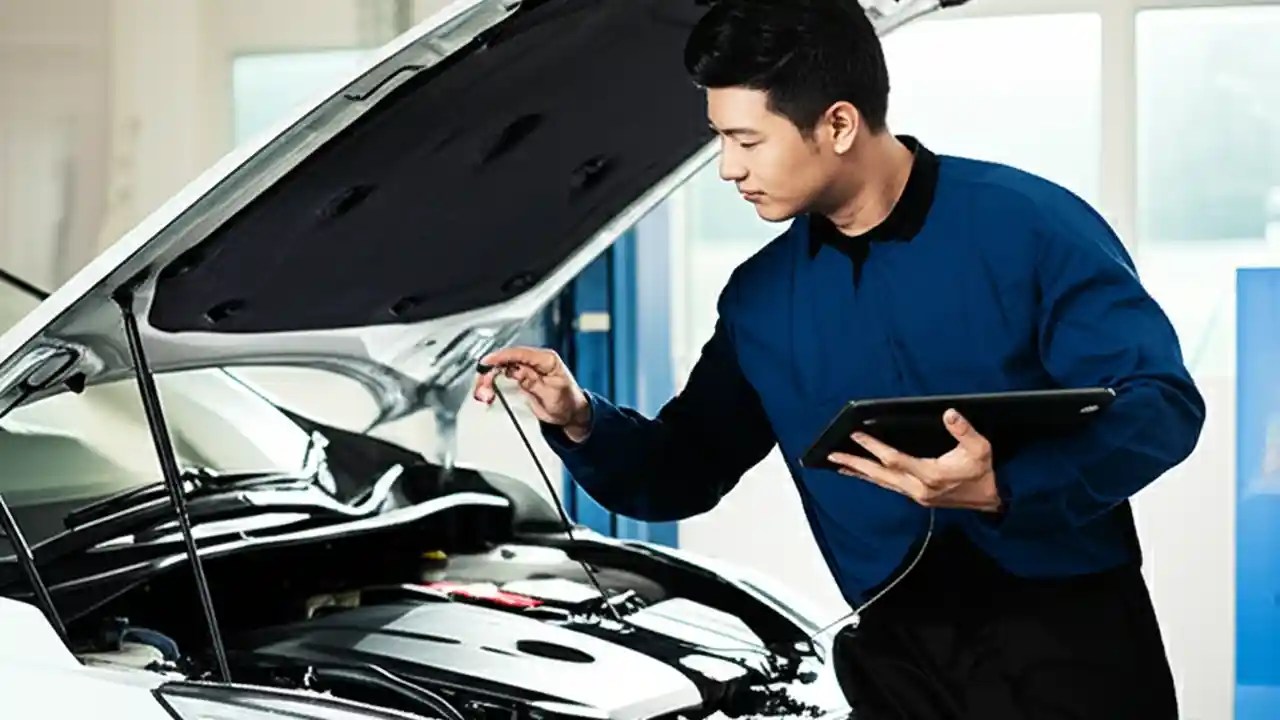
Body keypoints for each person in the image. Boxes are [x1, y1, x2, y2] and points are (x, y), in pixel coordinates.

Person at [473, 1, 1205, 717]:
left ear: (840, 124)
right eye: (720, 139)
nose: (728, 168)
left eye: (747, 141)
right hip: (896, 663)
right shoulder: (760, 298)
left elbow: (1161, 405)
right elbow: (683, 469)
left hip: (1076, 650)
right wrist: (578, 417)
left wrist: (1006, 486)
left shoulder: (1032, 225)